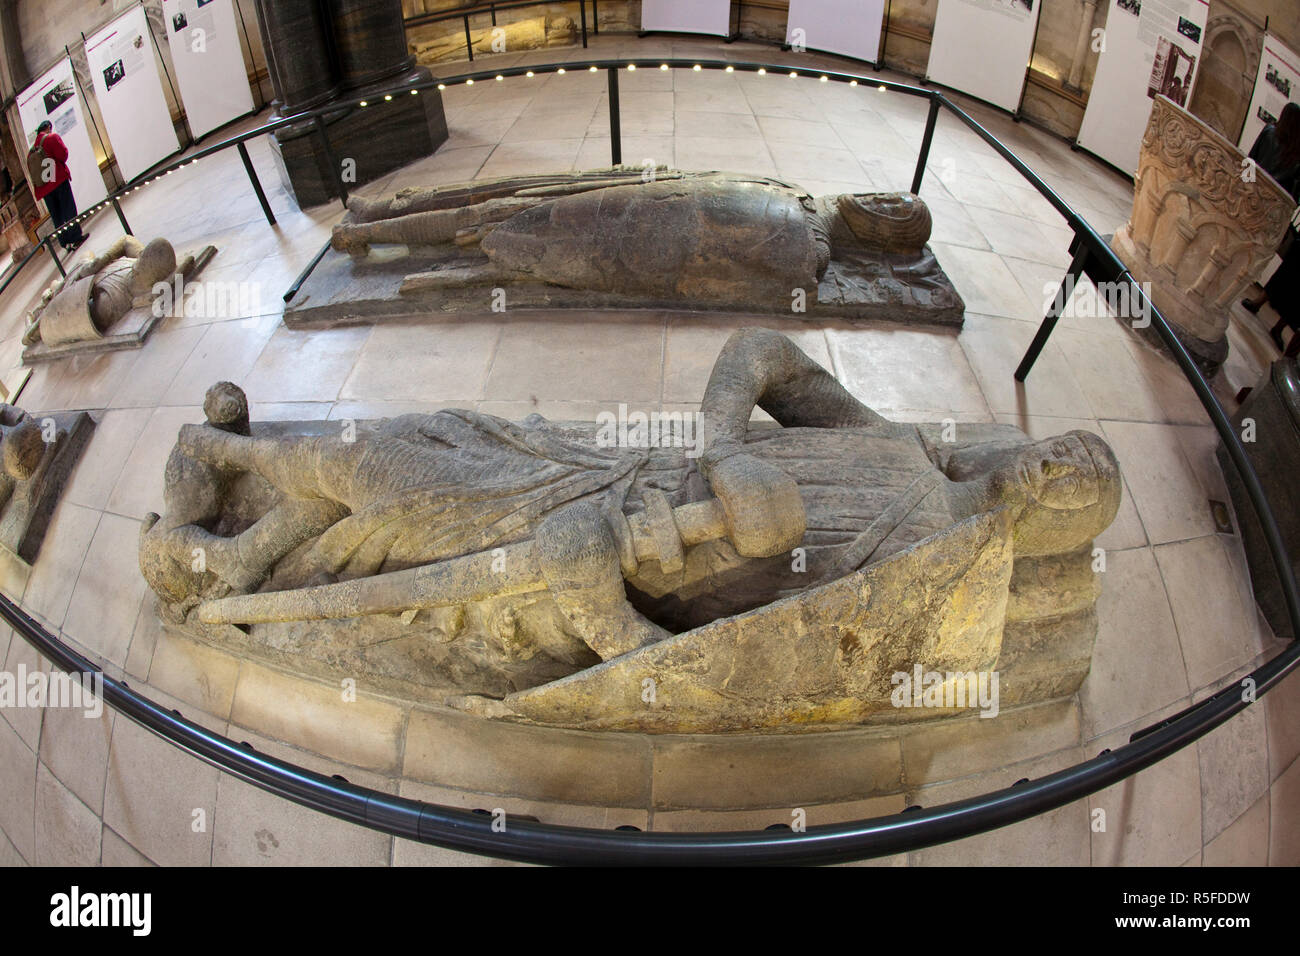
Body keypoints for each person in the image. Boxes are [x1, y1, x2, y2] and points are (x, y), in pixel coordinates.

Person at [1242, 102, 1300, 353]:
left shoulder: (1268, 132)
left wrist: (1244, 187)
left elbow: (1250, 160)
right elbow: (1293, 197)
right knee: (1250, 252)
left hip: (1251, 197)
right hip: (1270, 212)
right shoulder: (1296, 156)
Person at [28, 119, 87, 253]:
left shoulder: (31, 152)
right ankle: (76, 237)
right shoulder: (52, 138)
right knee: (68, 209)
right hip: (58, 181)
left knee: (57, 216)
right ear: (48, 128)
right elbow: (63, 155)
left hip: (44, 188)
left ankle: (65, 242)